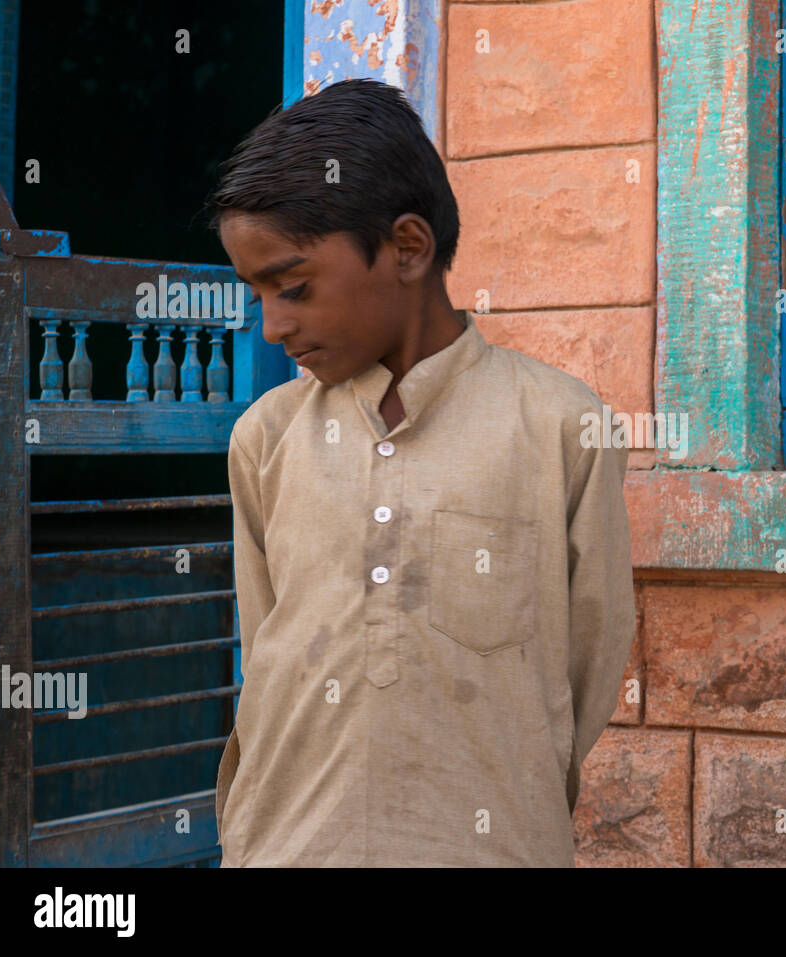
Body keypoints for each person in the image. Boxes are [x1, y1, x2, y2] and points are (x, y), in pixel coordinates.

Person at [205, 78, 636, 866]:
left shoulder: (558, 427)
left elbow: (587, 664)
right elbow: (265, 652)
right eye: (257, 293)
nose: (273, 326)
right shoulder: (265, 437)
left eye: (293, 287)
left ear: (408, 247)